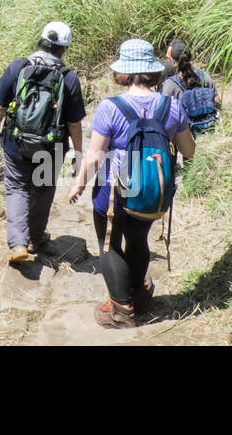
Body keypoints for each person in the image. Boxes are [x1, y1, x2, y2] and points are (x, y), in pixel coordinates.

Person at [68, 39, 196, 329]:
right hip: (154, 190)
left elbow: (95, 156)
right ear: (152, 72)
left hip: (116, 192)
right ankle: (137, 293)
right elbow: (189, 151)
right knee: (138, 240)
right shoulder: (171, 106)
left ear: (123, 73)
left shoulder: (111, 107)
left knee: (109, 245)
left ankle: (122, 311)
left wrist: (78, 184)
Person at [0, 22, 86, 263]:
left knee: (16, 188)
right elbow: (74, 124)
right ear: (65, 48)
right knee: (42, 190)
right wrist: (78, 153)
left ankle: (18, 243)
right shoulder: (69, 78)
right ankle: (35, 239)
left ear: (40, 40)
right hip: (51, 149)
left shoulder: (18, 67)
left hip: (16, 143)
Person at [160, 40, 221, 134]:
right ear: (191, 58)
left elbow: (165, 115)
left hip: (186, 135)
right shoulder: (205, 77)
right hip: (210, 130)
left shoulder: (170, 84)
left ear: (172, 61)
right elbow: (217, 102)